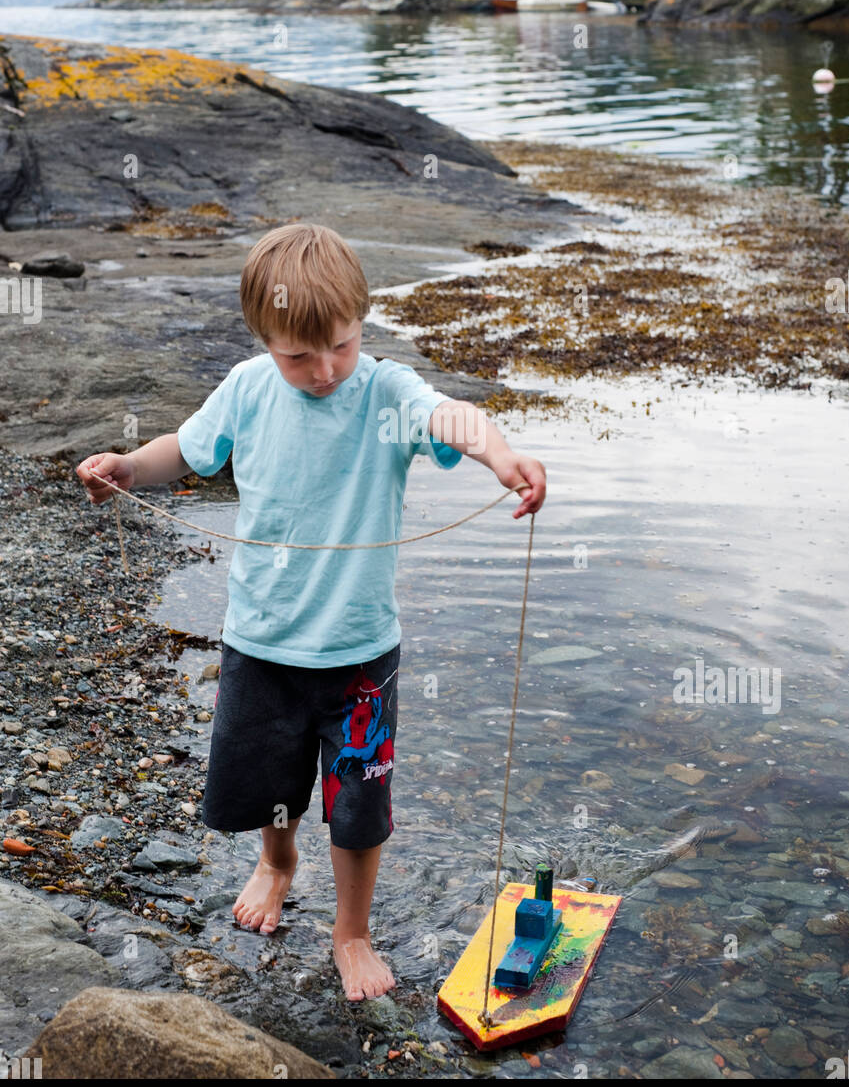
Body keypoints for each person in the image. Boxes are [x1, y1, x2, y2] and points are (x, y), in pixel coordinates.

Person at [76, 223, 546, 1001]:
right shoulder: (247, 389)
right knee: (271, 780)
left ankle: (350, 932)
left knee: (359, 802)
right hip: (261, 641)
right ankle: (277, 861)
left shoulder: (387, 394)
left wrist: (502, 457)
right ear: (264, 340)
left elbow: (452, 417)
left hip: (359, 651)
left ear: (361, 325)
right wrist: (128, 465)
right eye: (298, 355)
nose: (324, 370)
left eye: (341, 345)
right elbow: (186, 452)